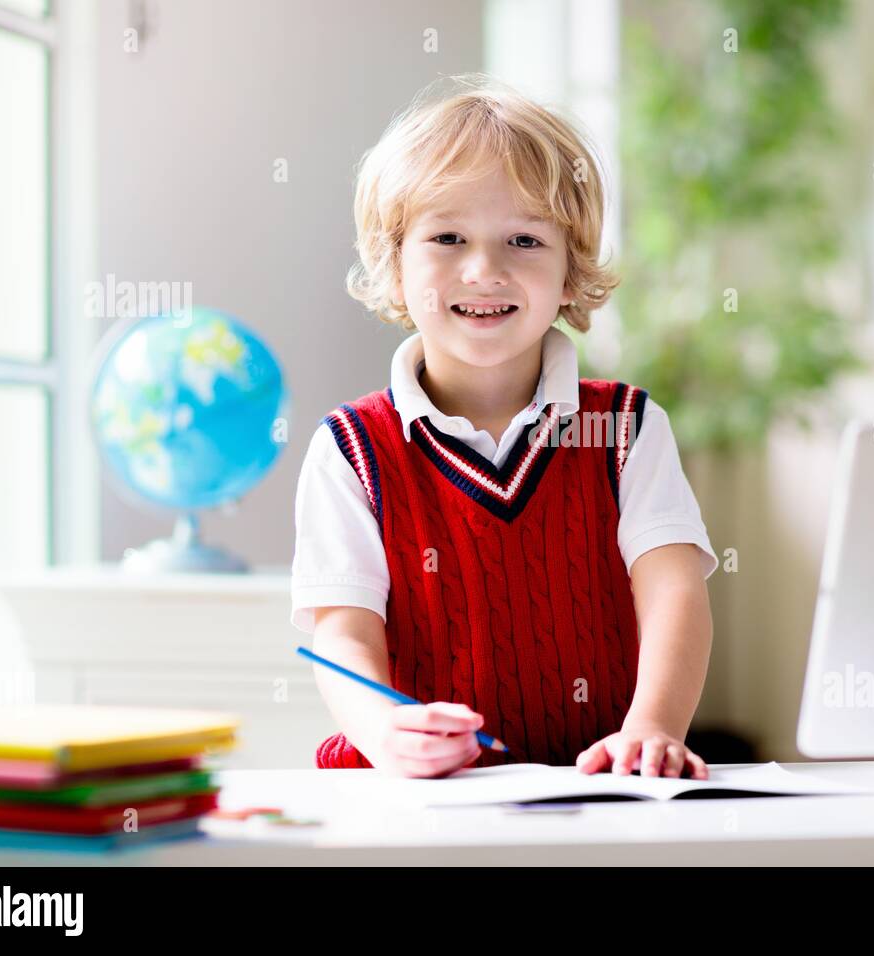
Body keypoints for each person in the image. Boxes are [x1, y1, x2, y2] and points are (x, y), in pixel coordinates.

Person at [291, 75, 718, 779]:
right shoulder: (350, 450)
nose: (484, 270)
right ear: (394, 267)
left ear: (570, 272)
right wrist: (382, 730)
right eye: (447, 237)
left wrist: (651, 729)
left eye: (523, 239)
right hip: (417, 799)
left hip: (598, 789)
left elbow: (674, 589)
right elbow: (344, 630)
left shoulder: (627, 428)